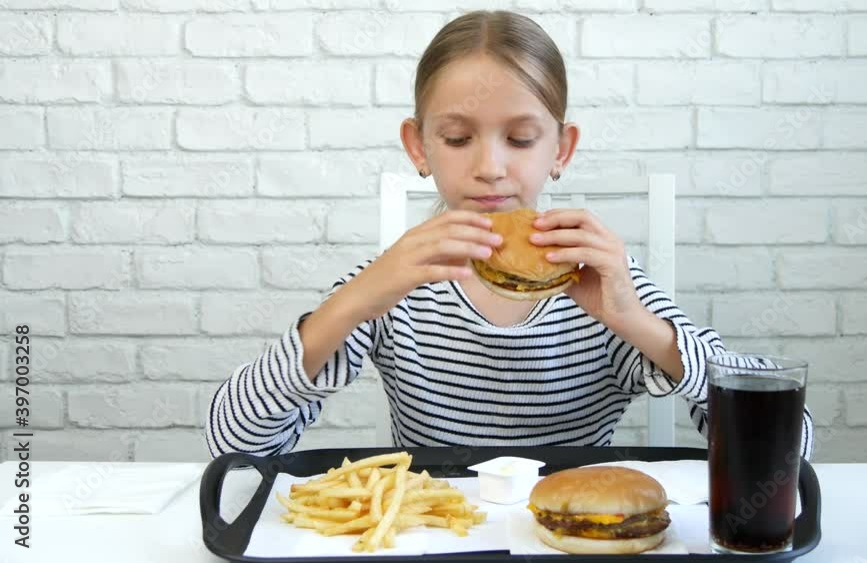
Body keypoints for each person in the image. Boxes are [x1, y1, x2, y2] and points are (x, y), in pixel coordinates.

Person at [204, 10, 814, 459]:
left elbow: (790, 442)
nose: (491, 167)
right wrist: (355, 301)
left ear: (560, 150)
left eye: (520, 139)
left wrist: (640, 326)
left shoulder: (603, 285)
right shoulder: (393, 287)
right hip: (433, 539)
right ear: (419, 148)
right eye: (458, 137)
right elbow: (232, 441)